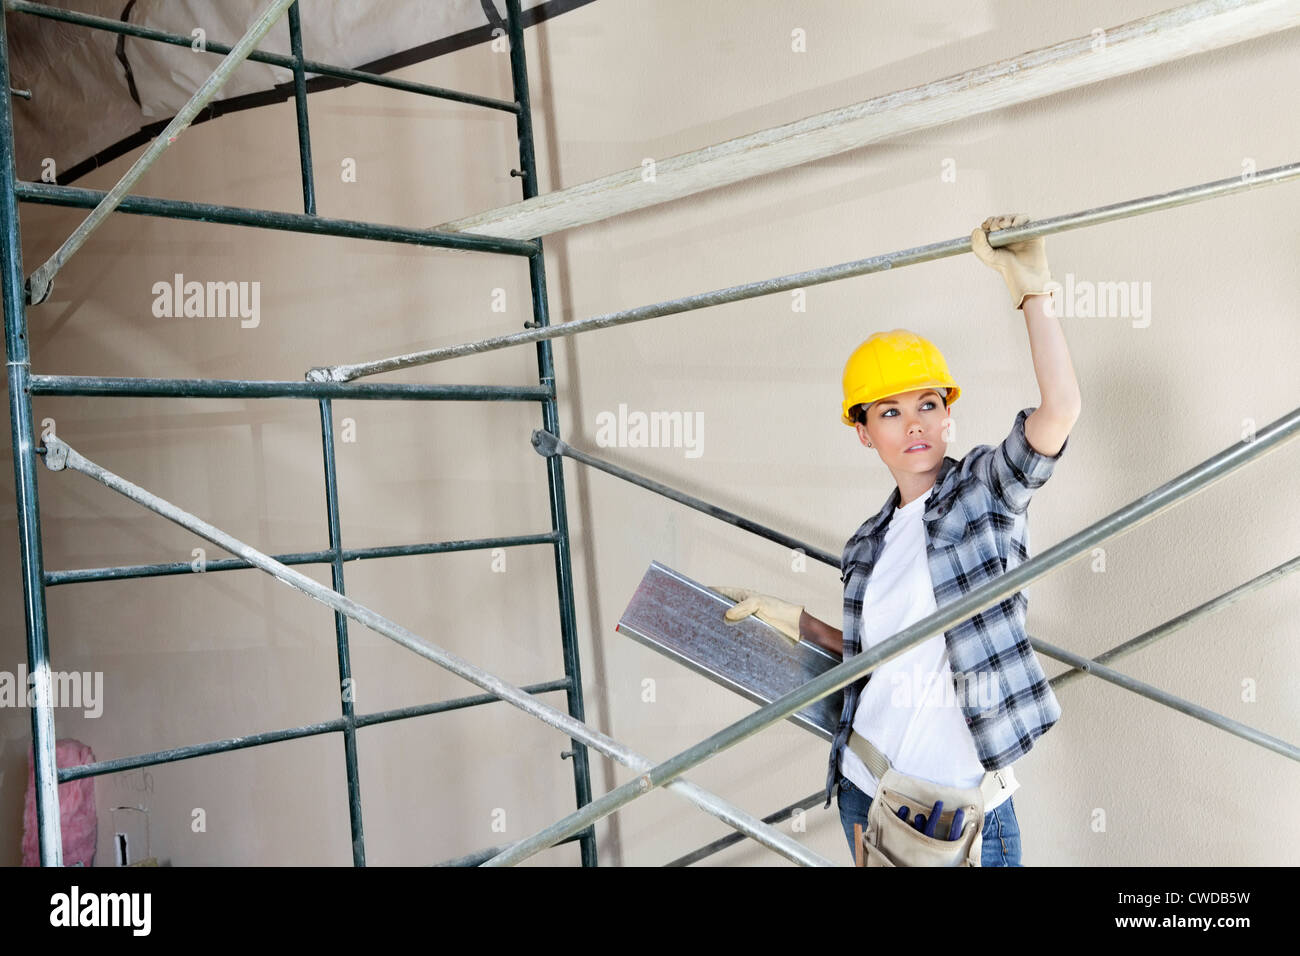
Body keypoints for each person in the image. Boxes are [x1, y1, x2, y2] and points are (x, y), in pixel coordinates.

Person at [715, 214, 1082, 866]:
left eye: (927, 404)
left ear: (949, 412)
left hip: (958, 812)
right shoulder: (869, 541)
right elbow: (875, 656)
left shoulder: (983, 493)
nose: (913, 424)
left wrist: (1033, 293)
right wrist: (793, 621)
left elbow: (1059, 410)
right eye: (889, 411)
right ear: (863, 431)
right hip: (867, 783)